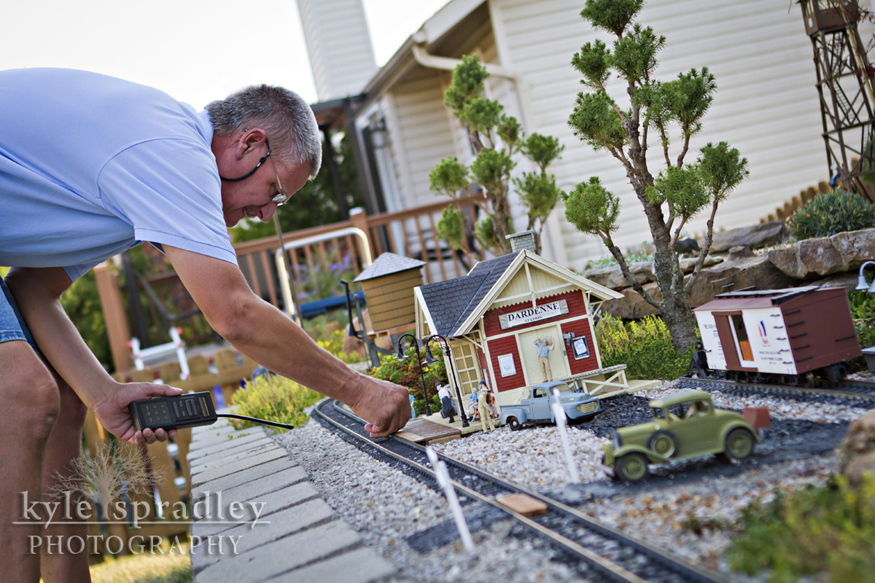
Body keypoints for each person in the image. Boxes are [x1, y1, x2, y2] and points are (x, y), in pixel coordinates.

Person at [0, 68, 411, 582]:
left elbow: (31, 290)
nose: (267, 214)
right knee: (22, 391)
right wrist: (359, 390)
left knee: (59, 397)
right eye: (276, 191)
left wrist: (102, 393)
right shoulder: (173, 152)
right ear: (249, 143)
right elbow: (233, 313)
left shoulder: (146, 171)